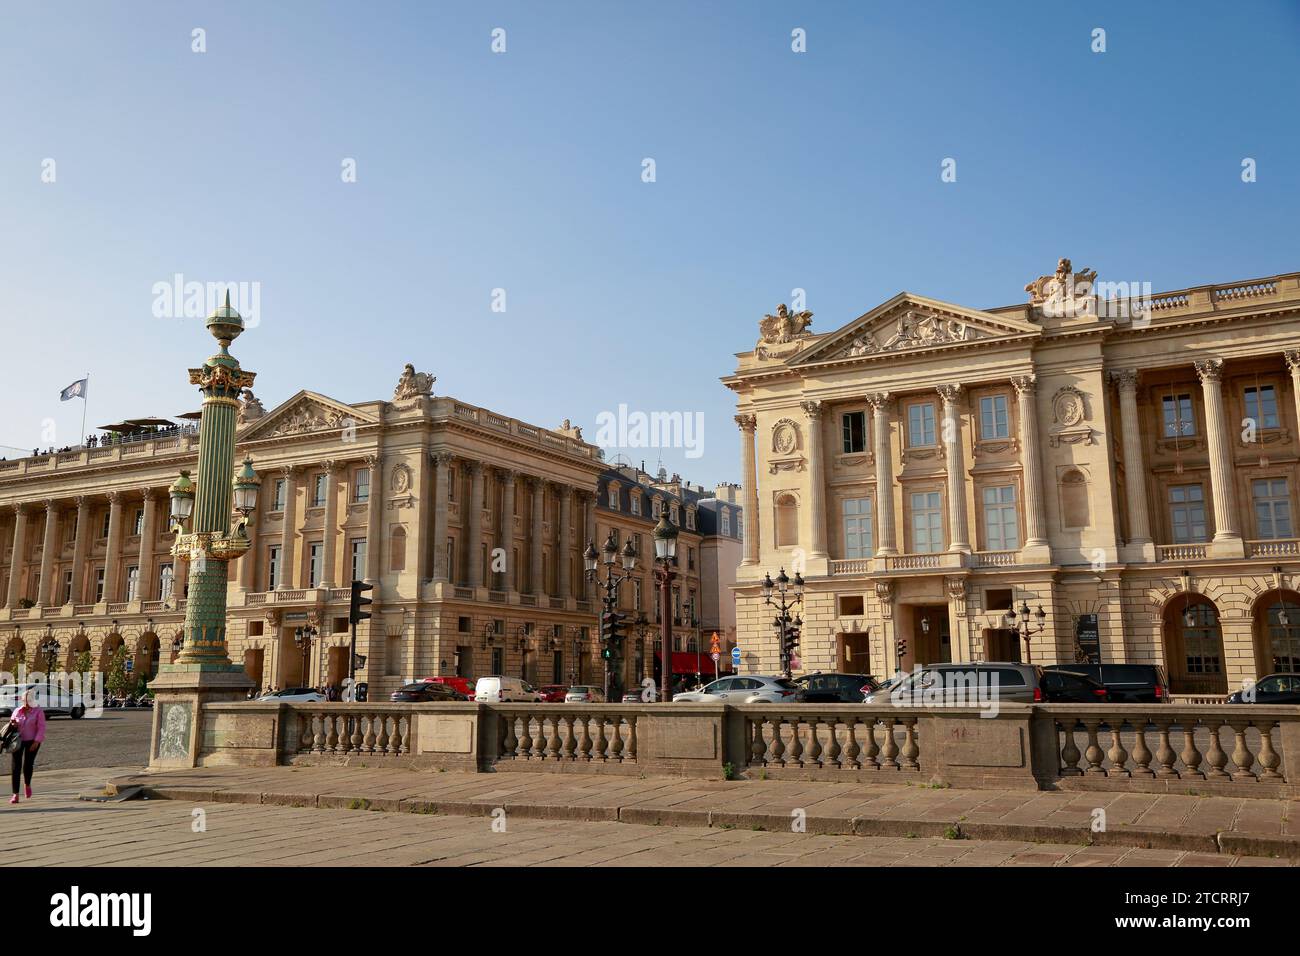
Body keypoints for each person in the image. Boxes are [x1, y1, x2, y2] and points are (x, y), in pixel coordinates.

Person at [5, 689, 45, 804]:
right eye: (25, 700)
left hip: (32, 741)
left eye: (29, 700)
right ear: (22, 700)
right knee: (15, 766)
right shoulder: (17, 711)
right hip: (17, 742)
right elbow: (11, 724)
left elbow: (41, 728)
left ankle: (27, 784)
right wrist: (13, 724)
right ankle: (15, 794)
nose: (27, 703)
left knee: (28, 764)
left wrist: (36, 741)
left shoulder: (38, 712)